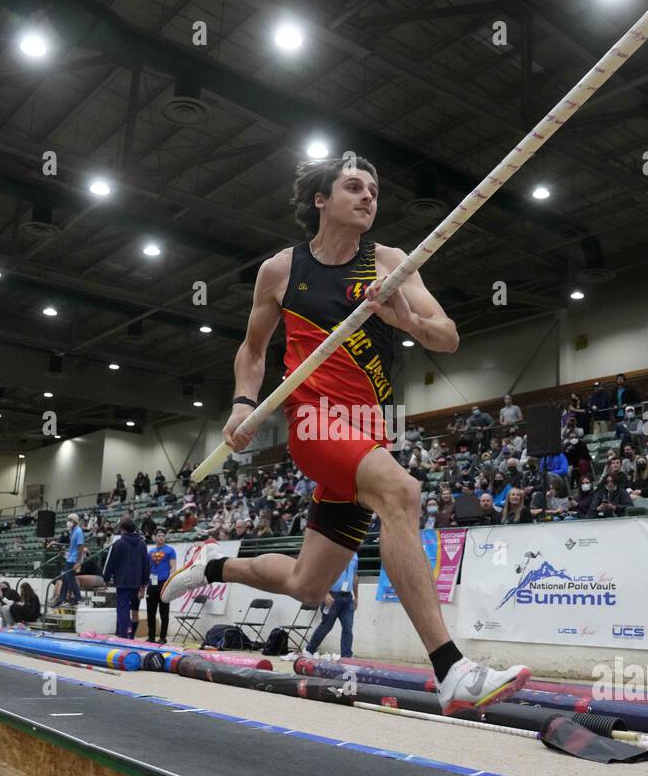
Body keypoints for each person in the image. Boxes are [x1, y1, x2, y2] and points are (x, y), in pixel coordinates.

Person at [164, 155, 531, 714]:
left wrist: (403, 319)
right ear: (320, 199)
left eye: (374, 191)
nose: (368, 198)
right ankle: (452, 671)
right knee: (403, 493)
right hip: (313, 424)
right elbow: (254, 349)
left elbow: (448, 337)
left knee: (308, 585)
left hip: (366, 433)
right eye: (354, 187)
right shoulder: (279, 271)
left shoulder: (392, 263)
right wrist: (243, 404)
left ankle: (209, 568)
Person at [303, 553, 359, 659]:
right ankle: (309, 649)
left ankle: (346, 656)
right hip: (333, 595)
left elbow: (355, 576)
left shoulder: (355, 555)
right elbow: (322, 574)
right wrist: (325, 593)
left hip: (347, 598)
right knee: (326, 626)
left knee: (348, 628)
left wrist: (356, 597)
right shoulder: (335, 551)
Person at [102, 519, 150, 640]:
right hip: (138, 582)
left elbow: (111, 562)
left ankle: (122, 637)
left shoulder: (119, 543)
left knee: (123, 610)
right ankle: (131, 637)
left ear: (123, 529)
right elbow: (146, 565)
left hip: (123, 582)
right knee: (134, 610)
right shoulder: (142, 544)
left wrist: (106, 578)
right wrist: (144, 584)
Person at [145, 530, 177, 644]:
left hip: (164, 583)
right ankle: (151, 636)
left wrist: (170, 581)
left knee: (164, 612)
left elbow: (173, 567)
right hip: (152, 583)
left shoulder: (170, 550)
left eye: (163, 535)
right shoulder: (151, 552)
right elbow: (148, 567)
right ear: (155, 537)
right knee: (150, 612)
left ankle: (162, 637)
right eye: (158, 535)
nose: (161, 537)